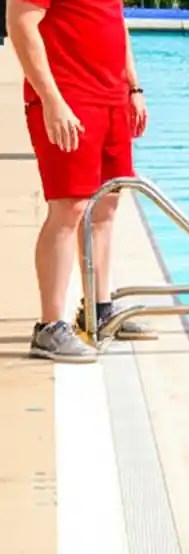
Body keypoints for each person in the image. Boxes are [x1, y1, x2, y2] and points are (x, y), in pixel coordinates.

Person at [8, 0, 153, 361]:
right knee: (69, 206)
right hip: (70, 96)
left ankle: (99, 309)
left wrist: (133, 88)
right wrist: (51, 99)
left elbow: (116, 24)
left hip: (112, 98)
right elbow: (21, 24)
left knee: (107, 204)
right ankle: (49, 327)